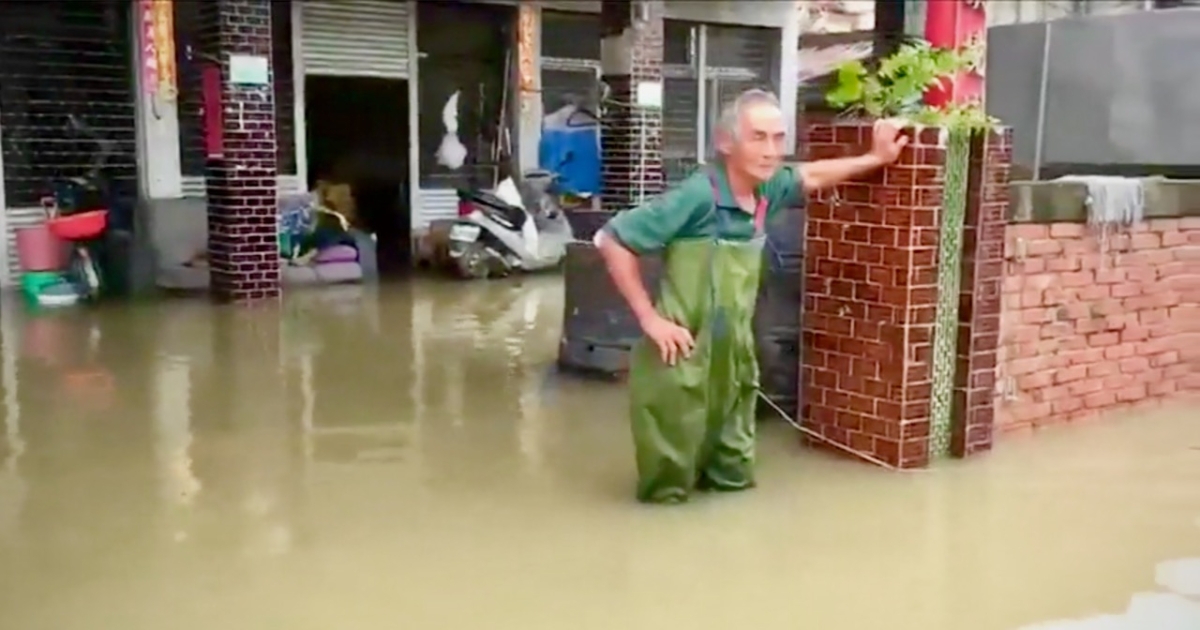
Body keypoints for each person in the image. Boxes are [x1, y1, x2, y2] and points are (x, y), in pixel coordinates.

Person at [595, 89, 909, 504]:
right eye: (758, 137)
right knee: (668, 487)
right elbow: (611, 238)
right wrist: (650, 319)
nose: (771, 151)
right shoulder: (698, 196)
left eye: (779, 139)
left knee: (733, 472)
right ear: (726, 143)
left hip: (734, 357)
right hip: (681, 357)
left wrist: (876, 159)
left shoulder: (768, 191)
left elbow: (812, 176)